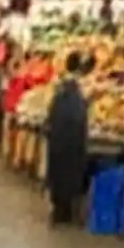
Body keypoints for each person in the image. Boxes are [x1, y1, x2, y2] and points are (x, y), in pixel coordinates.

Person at [46, 51, 89, 224]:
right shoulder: (80, 90)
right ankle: (67, 210)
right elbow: (81, 117)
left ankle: (59, 209)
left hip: (58, 137)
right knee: (71, 173)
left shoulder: (60, 88)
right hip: (73, 138)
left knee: (58, 172)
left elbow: (52, 114)